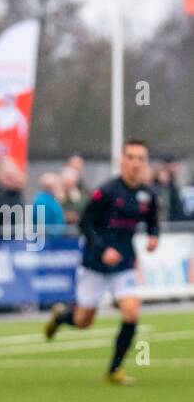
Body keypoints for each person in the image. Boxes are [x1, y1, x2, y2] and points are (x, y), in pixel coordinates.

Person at [44, 139, 160, 385]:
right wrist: (103, 248)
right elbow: (85, 223)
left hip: (125, 262)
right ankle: (60, 318)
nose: (135, 163)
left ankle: (114, 370)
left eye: (141, 158)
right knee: (83, 321)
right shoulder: (106, 191)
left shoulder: (147, 195)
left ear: (145, 162)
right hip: (95, 263)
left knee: (131, 311)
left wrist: (154, 236)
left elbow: (152, 221)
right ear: (122, 160)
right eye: (131, 157)